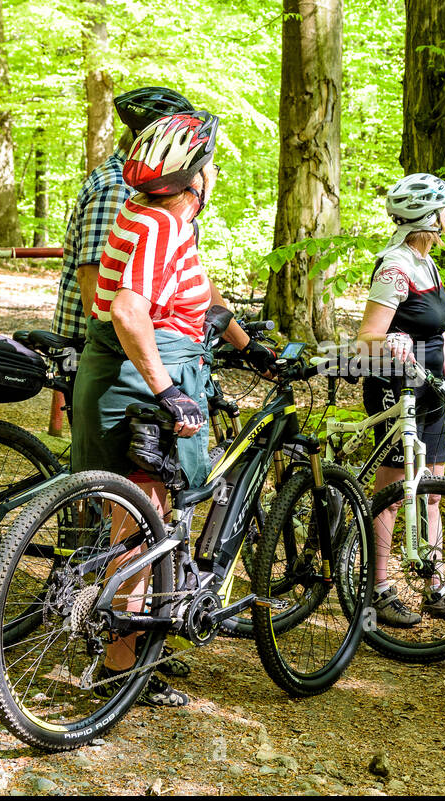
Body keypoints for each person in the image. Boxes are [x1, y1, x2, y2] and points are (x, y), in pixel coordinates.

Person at [71, 111, 276, 707]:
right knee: (142, 529)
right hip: (142, 380)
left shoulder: (149, 217)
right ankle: (119, 666)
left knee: (135, 526)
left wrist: (247, 344)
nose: (212, 177)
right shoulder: (162, 224)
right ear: (195, 179)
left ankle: (126, 648)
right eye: (210, 168)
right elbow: (130, 310)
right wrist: (168, 390)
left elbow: (199, 290)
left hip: (123, 372)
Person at [356, 172, 445, 628]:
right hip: (395, 384)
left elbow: (437, 331)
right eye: (444, 212)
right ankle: (379, 587)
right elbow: (367, 338)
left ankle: (435, 587)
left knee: (432, 493)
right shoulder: (394, 266)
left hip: (431, 387)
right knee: (393, 491)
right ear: (430, 217)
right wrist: (393, 341)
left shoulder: (428, 264)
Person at [48, 86, 196, 436]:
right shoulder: (117, 188)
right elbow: (93, 280)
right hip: (97, 349)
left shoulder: (147, 190)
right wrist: (112, 353)